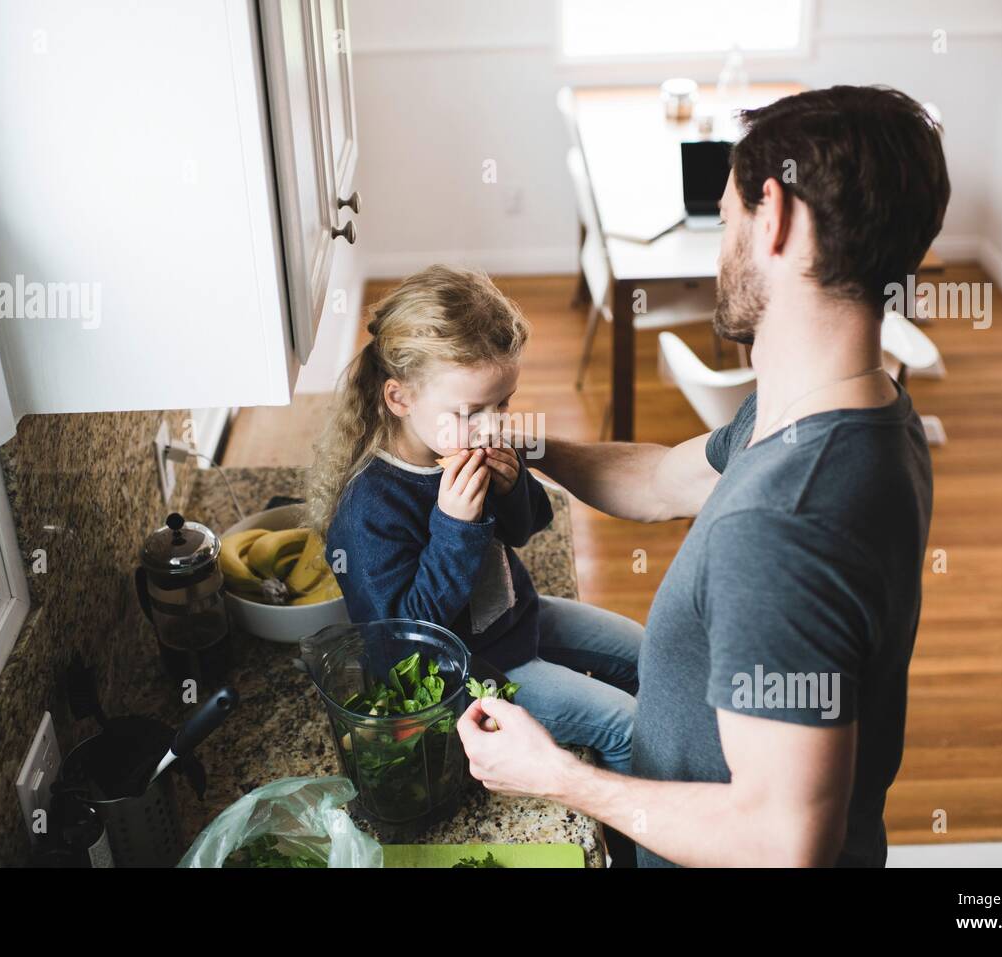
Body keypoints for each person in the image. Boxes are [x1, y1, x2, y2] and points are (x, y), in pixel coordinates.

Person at [457, 85, 950, 867]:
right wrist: (529, 442)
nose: (721, 248)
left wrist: (556, 774)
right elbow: (659, 480)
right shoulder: (853, 410)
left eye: (725, 220)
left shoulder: (783, 524)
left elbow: (785, 843)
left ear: (777, 218)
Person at [306, 265, 643, 773]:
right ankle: (639, 840)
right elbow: (400, 644)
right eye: (471, 411)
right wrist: (455, 526)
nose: (493, 427)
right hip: (470, 674)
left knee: (651, 653)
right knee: (629, 728)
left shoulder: (460, 442)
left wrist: (511, 490)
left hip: (515, 621)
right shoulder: (369, 509)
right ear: (399, 397)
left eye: (502, 404)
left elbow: (529, 527)